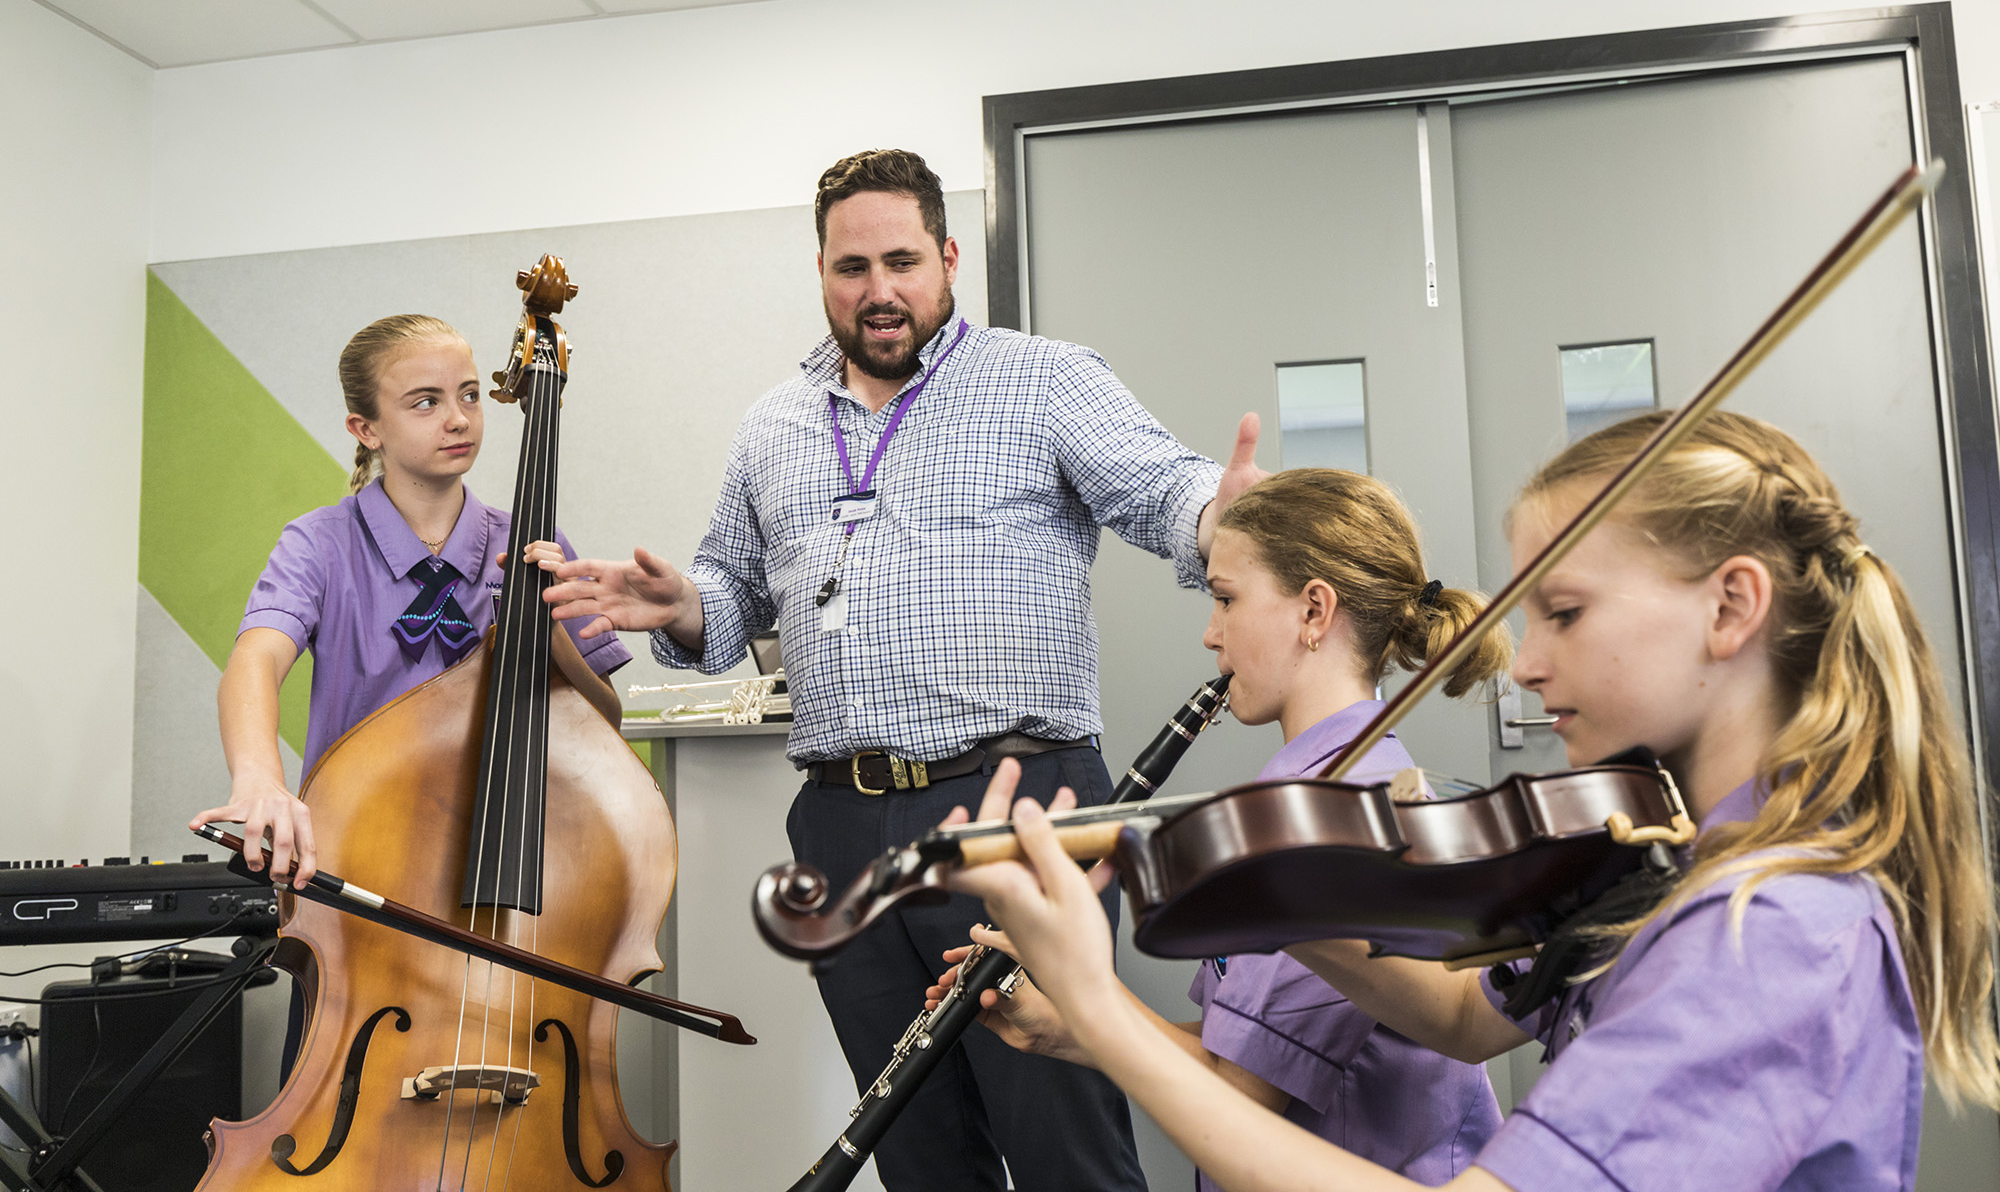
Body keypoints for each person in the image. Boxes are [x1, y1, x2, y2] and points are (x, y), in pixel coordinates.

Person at [950, 410, 2000, 1191]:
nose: (1526, 663)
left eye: (1565, 612)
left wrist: (1100, 1003)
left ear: (1729, 606)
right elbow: (1458, 1014)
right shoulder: (1657, 855)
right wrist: (1261, 891)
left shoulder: (1763, 931)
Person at [538, 149, 1266, 1191]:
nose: (877, 290)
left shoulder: (1041, 378)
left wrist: (1217, 513)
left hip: (1014, 808)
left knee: (1061, 1138)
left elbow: (1162, 490)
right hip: (841, 827)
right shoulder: (773, 426)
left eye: (900, 260)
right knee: (917, 1152)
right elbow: (732, 587)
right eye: (849, 267)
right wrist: (686, 606)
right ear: (820, 272)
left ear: (947, 257)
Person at [928, 468, 1509, 1186]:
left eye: (1226, 598)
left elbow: (1239, 1095)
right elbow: (1250, 1055)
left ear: (1314, 611)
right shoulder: (1325, 787)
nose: (1210, 633)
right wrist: (1065, 1026)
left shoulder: (1329, 815)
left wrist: (1086, 994)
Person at [188, 313, 629, 892]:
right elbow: (255, 661)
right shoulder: (320, 544)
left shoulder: (533, 544)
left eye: (470, 395)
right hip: (357, 857)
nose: (457, 418)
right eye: (425, 402)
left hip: (508, 862)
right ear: (366, 429)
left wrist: (551, 640)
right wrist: (258, 778)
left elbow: (606, 721)